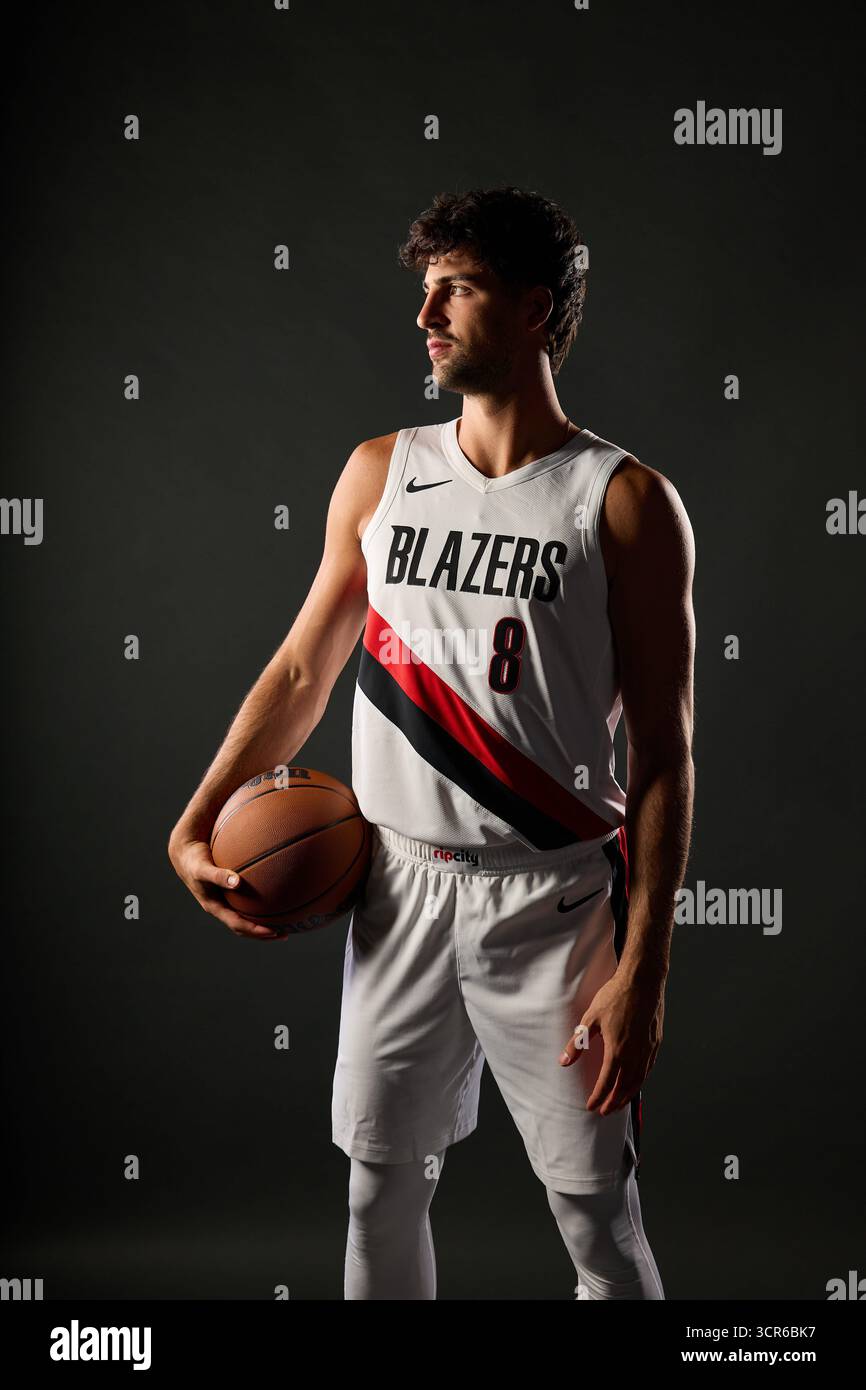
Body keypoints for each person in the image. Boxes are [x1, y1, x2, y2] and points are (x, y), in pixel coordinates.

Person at [168, 185, 695, 1301]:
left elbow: (664, 754)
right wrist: (198, 811)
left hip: (551, 902)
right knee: (375, 1189)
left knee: (594, 1213)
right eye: (424, 290)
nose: (426, 315)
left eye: (455, 288)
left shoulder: (623, 501)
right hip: (394, 891)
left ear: (533, 308)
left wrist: (643, 966)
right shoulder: (381, 471)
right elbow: (305, 664)